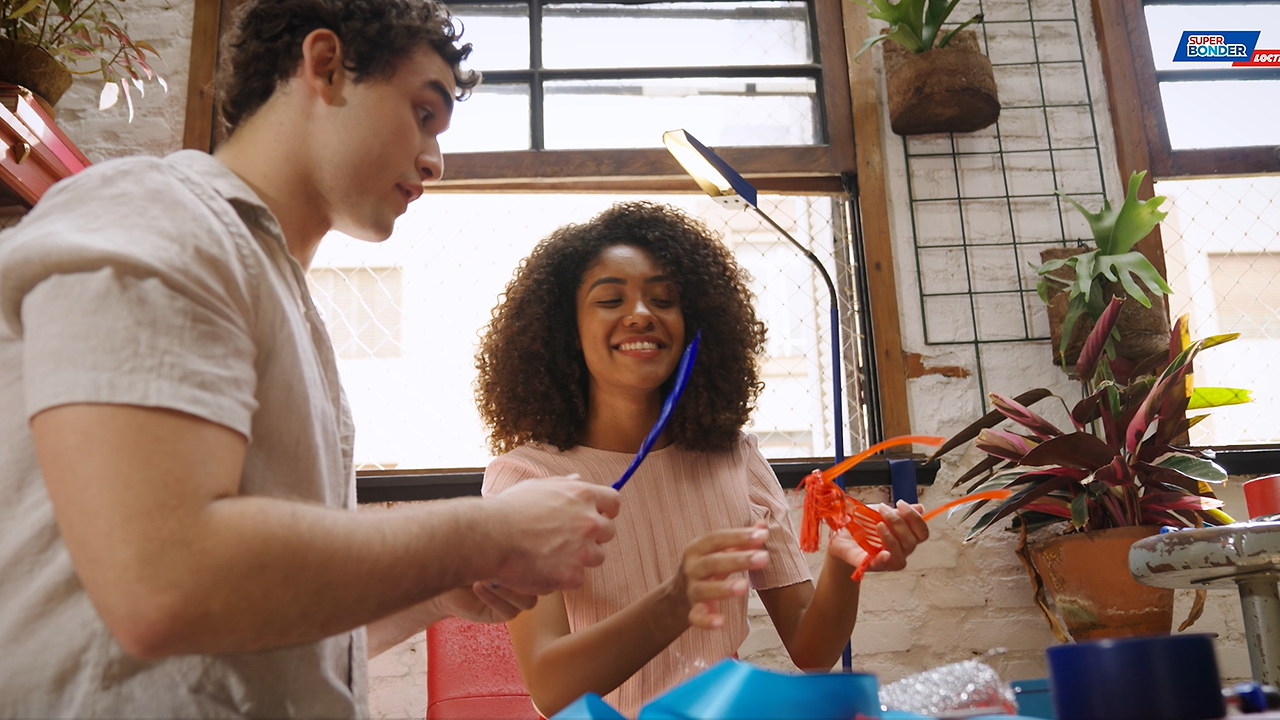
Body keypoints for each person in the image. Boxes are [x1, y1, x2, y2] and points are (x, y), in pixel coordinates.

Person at [0, 0, 620, 716]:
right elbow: (164, 584)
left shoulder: (273, 289)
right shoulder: (162, 216)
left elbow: (255, 631)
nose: (435, 161)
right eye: (423, 112)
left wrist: (439, 590)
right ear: (324, 67)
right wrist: (488, 534)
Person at [476, 201, 930, 717]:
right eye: (609, 299)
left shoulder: (735, 459)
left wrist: (842, 564)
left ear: (693, 326)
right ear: (565, 330)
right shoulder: (526, 478)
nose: (642, 313)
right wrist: (675, 600)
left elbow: (812, 650)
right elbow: (551, 688)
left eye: (664, 299)